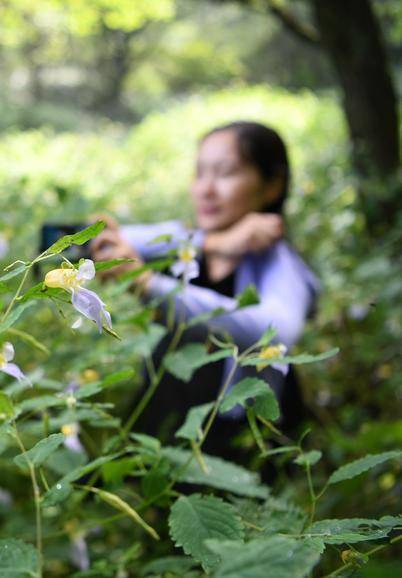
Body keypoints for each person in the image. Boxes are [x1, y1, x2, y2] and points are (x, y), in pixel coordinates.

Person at [91, 120, 320, 461]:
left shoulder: (280, 264)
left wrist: (148, 284)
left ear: (272, 185)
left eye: (225, 173)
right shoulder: (186, 239)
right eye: (200, 173)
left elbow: (276, 331)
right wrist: (218, 243)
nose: (205, 189)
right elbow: (102, 239)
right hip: (166, 417)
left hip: (237, 437)